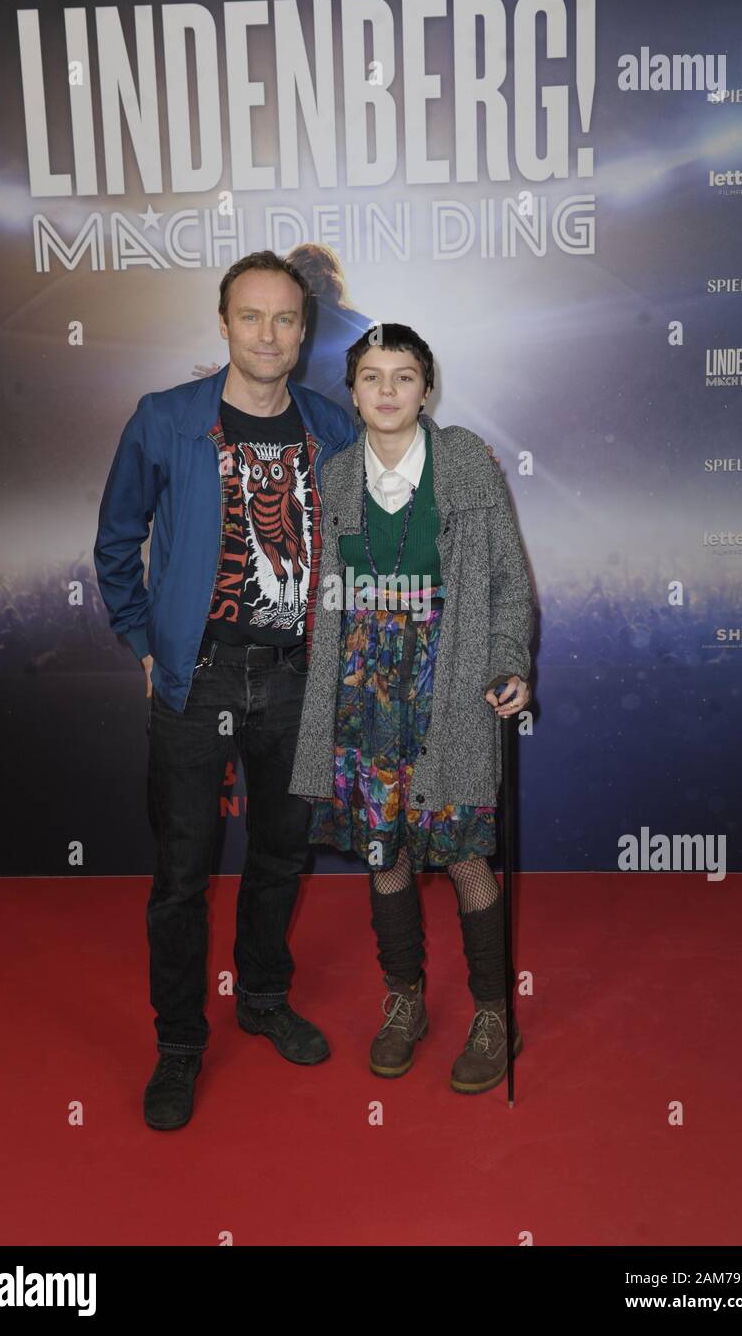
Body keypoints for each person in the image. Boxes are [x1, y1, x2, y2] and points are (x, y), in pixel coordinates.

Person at [94, 251, 357, 1130]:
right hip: (197, 674)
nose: (269, 334)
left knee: (283, 852)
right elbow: (117, 537)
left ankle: (263, 996)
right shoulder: (166, 419)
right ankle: (178, 1043)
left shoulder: (331, 427)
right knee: (180, 873)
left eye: (285, 319)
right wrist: (143, 637)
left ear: (303, 330)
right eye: (252, 317)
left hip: (294, 677)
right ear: (223, 323)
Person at [289, 324, 534, 1094]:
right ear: (353, 392)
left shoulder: (464, 461)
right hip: (361, 688)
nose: (387, 390)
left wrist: (508, 663)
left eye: (403, 376)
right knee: (382, 851)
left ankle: (494, 1011)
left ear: (426, 388)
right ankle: (405, 1001)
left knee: (462, 852)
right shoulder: (334, 474)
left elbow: (506, 582)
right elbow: (323, 597)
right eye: (370, 376)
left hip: (450, 674)